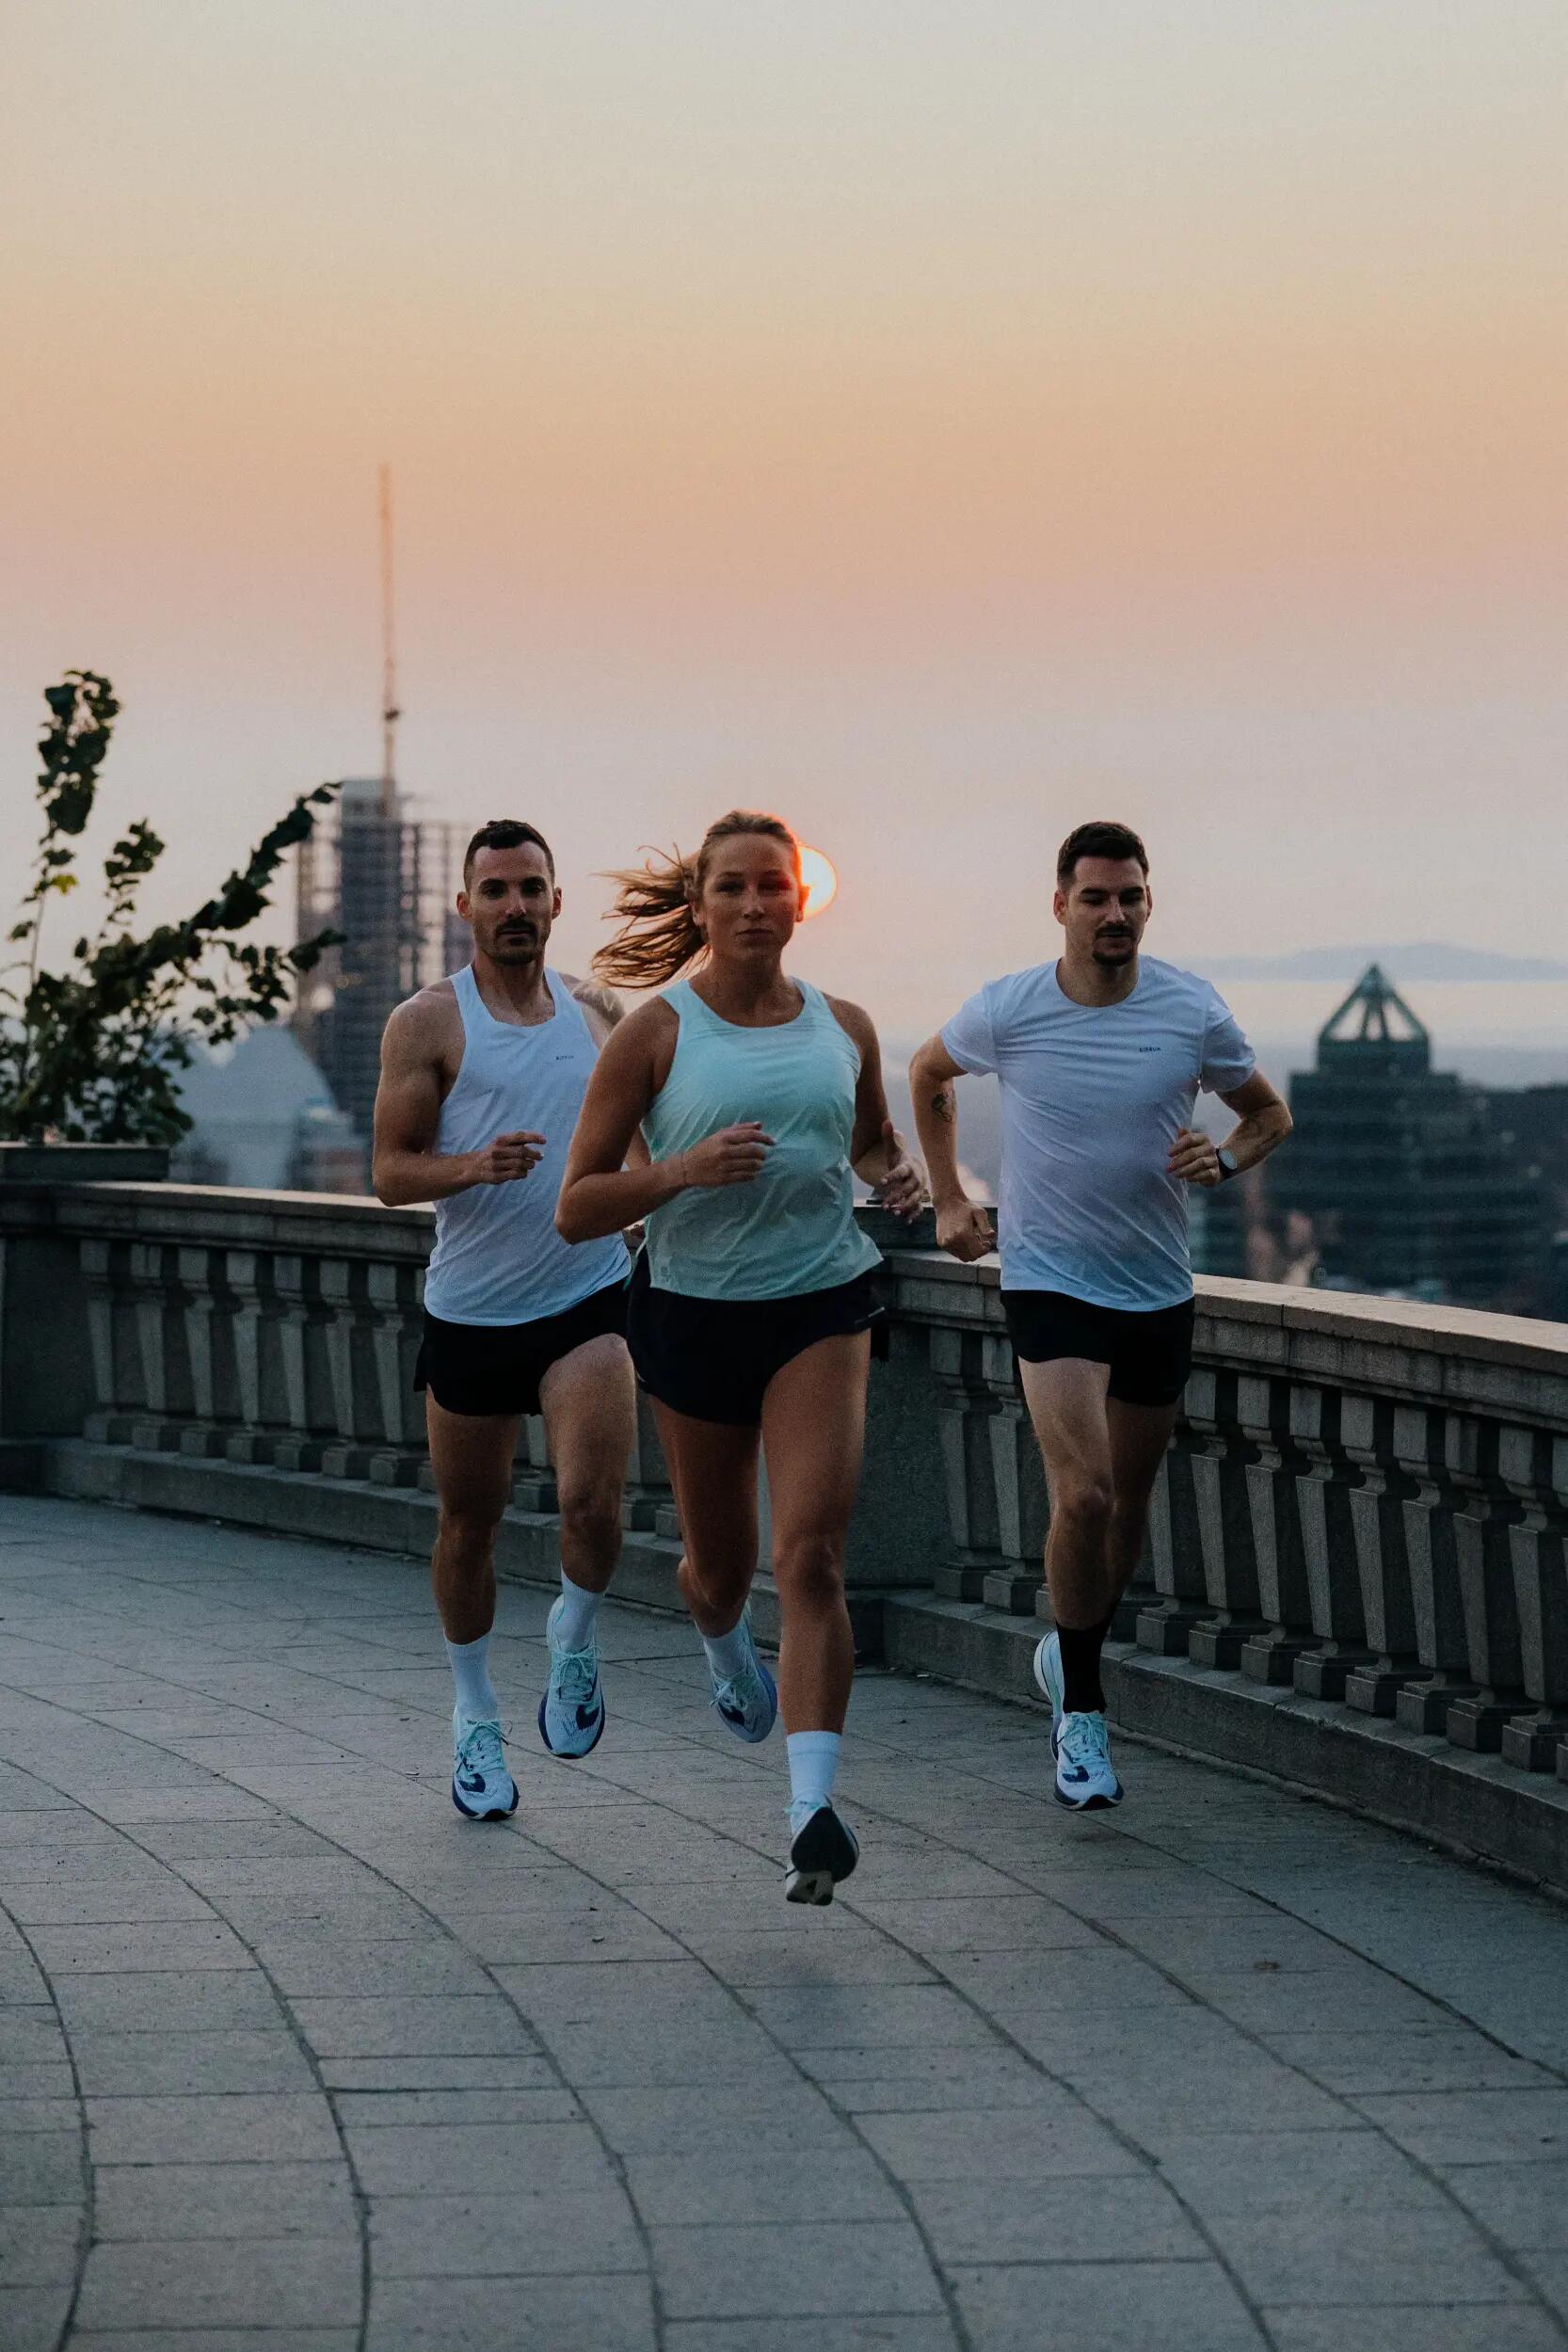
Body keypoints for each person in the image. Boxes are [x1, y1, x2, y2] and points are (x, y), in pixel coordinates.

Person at [555, 810, 924, 1902]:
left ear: (798, 898)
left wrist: (895, 1175)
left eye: (774, 885)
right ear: (701, 904)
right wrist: (682, 1173)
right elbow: (578, 1205)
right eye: (733, 889)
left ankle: (812, 1811)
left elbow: (862, 1141)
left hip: (820, 1304)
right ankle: (722, 1649)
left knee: (808, 1557)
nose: (757, 905)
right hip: (693, 1313)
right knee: (719, 1572)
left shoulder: (843, 1025)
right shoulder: (656, 1034)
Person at [909, 820, 1291, 1811]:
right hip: (1047, 1279)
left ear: (1147, 905)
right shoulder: (1011, 1009)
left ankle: (1064, 1645)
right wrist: (950, 1200)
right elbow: (926, 1073)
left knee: (1121, 1511)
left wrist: (1229, 1158)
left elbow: (1268, 1113)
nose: (1114, 913)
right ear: (1060, 906)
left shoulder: (1189, 1011)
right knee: (1079, 1497)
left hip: (1155, 1289)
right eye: (1095, 898)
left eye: (1129, 897)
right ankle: (1082, 1715)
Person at [373, 819, 638, 1822]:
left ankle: (573, 1633)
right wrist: (470, 1167)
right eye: (496, 891)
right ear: (467, 907)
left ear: (556, 902)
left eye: (532, 889)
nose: (515, 907)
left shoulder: (599, 1012)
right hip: (473, 1312)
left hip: (585, 1297)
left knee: (594, 1508)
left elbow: (645, 1144)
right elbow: (391, 1172)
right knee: (468, 1526)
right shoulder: (427, 1023)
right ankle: (475, 1717)